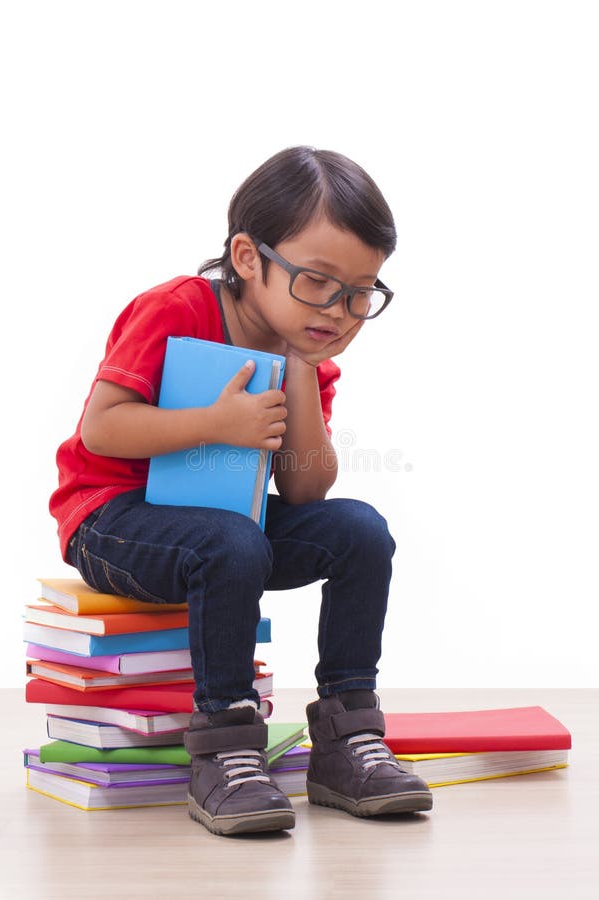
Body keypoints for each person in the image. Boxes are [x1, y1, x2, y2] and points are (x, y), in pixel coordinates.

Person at [49, 146, 433, 836]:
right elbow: (101, 430)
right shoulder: (175, 308)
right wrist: (217, 424)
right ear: (249, 258)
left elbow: (308, 488)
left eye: (361, 293)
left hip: (230, 533)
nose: (340, 310)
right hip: (111, 519)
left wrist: (302, 375)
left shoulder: (302, 352)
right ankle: (226, 747)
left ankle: (348, 736)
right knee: (230, 540)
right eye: (319, 282)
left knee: (360, 530)